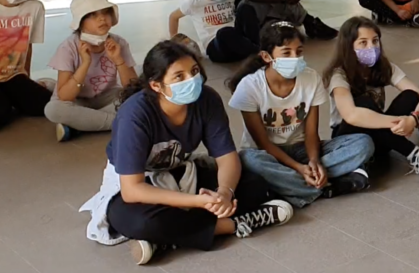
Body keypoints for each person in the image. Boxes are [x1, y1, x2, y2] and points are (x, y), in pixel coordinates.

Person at [81, 41, 292, 265]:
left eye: (194, 72)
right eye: (178, 77)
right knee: (139, 222)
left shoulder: (207, 99)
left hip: (181, 173)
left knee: (255, 185)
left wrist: (224, 193)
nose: (191, 80)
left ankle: (165, 241)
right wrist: (199, 202)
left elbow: (227, 157)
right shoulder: (134, 115)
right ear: (156, 86)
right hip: (137, 185)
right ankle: (236, 224)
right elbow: (132, 190)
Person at [227, 22, 374, 208]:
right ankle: (327, 185)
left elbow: (312, 133)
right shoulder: (249, 87)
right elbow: (263, 142)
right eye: (286, 53)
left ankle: (292, 185)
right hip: (266, 153)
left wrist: (313, 161)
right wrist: (299, 168)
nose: (295, 58)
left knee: (363, 143)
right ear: (266, 56)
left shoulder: (311, 78)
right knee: (248, 160)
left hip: (301, 148)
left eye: (299, 51)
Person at [326, 16, 419, 178]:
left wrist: (412, 120)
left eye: (375, 41)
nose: (371, 47)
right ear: (348, 46)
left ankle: (380, 150)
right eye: (363, 42)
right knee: (363, 102)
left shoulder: (385, 67)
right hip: (350, 139)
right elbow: (352, 115)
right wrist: (398, 122)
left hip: (380, 132)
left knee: (410, 96)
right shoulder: (339, 75)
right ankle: (414, 154)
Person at [46, 0, 138, 142]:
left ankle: (78, 126)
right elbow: (65, 96)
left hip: (107, 96)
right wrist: (85, 63)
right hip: (77, 99)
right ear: (80, 21)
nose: (102, 18)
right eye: (93, 15)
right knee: (53, 110)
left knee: (141, 97)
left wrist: (118, 59)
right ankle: (121, 122)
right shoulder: (68, 47)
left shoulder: (119, 43)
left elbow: (133, 87)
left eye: (105, 13)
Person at [0, 0, 53, 130]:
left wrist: (26, 77)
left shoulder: (34, 8)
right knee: (0, 116)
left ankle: (11, 95)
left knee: (45, 106)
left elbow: (28, 45)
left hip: (13, 76)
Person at [169, 0, 258, 64]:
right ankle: (258, 51)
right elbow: (173, 17)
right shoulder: (195, 4)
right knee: (224, 32)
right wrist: (174, 40)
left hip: (237, 40)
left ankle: (255, 45)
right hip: (217, 48)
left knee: (245, 8)